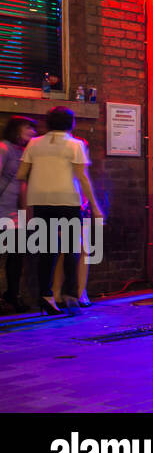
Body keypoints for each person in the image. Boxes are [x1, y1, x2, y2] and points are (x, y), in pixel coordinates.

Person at [16, 107, 104, 315]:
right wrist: (95, 206)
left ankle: (46, 296)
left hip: (41, 201)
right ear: (71, 124)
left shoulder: (34, 143)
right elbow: (83, 178)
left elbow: (22, 174)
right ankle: (71, 293)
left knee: (47, 251)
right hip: (67, 200)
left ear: (48, 122)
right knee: (73, 247)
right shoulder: (76, 144)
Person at [0, 117, 36, 312]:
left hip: (15, 214)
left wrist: (25, 212)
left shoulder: (23, 152)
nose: (32, 132)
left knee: (16, 257)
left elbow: (23, 183)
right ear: (16, 129)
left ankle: (12, 295)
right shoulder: (4, 148)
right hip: (2, 211)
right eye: (28, 127)